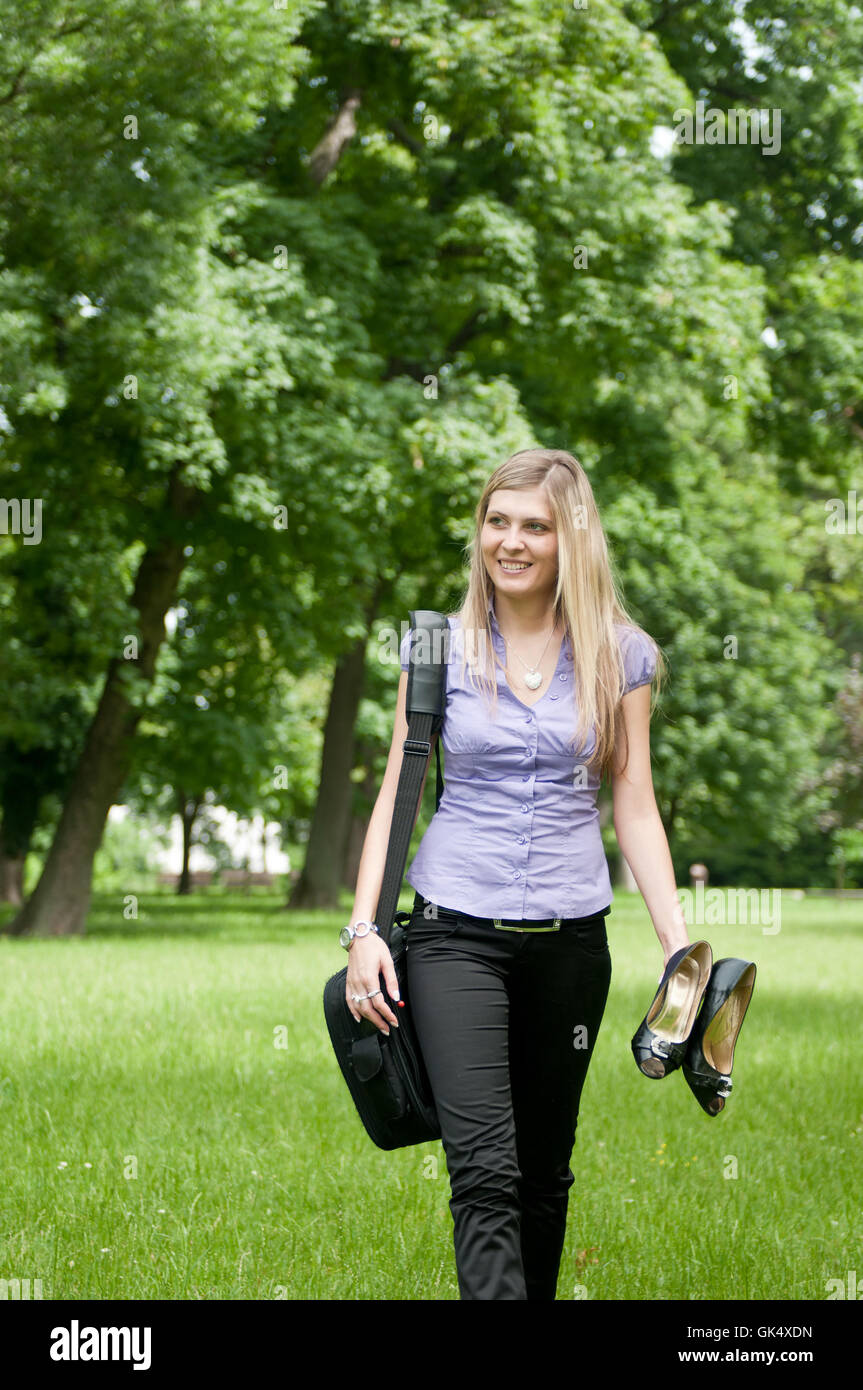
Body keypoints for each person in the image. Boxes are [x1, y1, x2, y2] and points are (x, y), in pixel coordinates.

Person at [343, 447, 690, 1300]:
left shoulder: (623, 655)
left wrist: (680, 950)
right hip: (453, 934)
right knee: (485, 1172)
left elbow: (634, 803)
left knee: (544, 1174)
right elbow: (397, 786)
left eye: (534, 525)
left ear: (571, 538)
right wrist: (362, 932)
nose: (511, 541)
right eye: (497, 521)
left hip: (571, 942)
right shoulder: (437, 647)